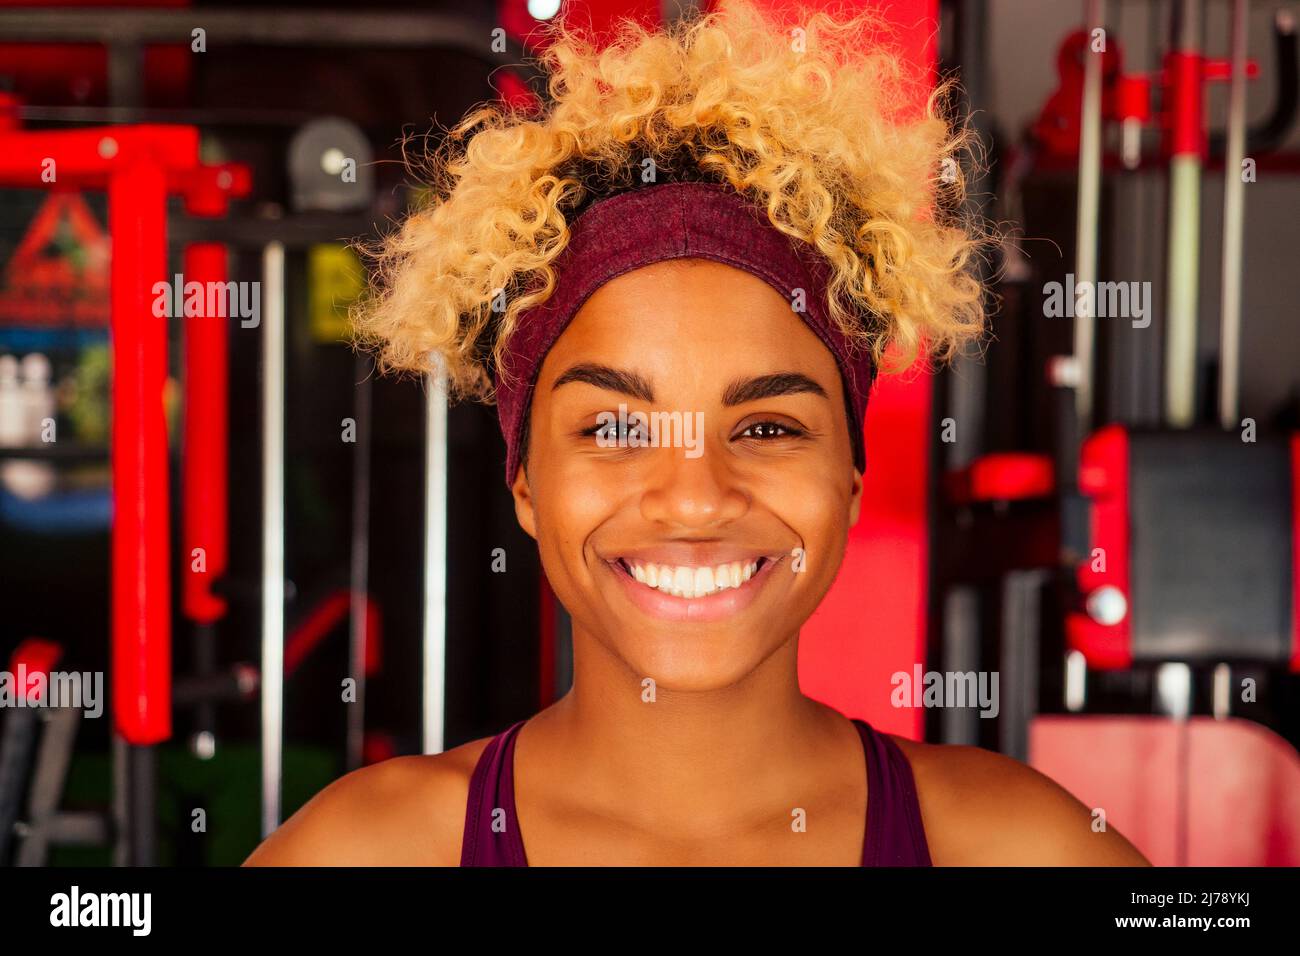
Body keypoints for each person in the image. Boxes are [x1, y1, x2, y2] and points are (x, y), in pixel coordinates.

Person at [245, 0, 1149, 867]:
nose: (694, 496)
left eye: (764, 424)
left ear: (851, 477)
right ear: (524, 480)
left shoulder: (1023, 850)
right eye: (613, 427)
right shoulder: (366, 854)